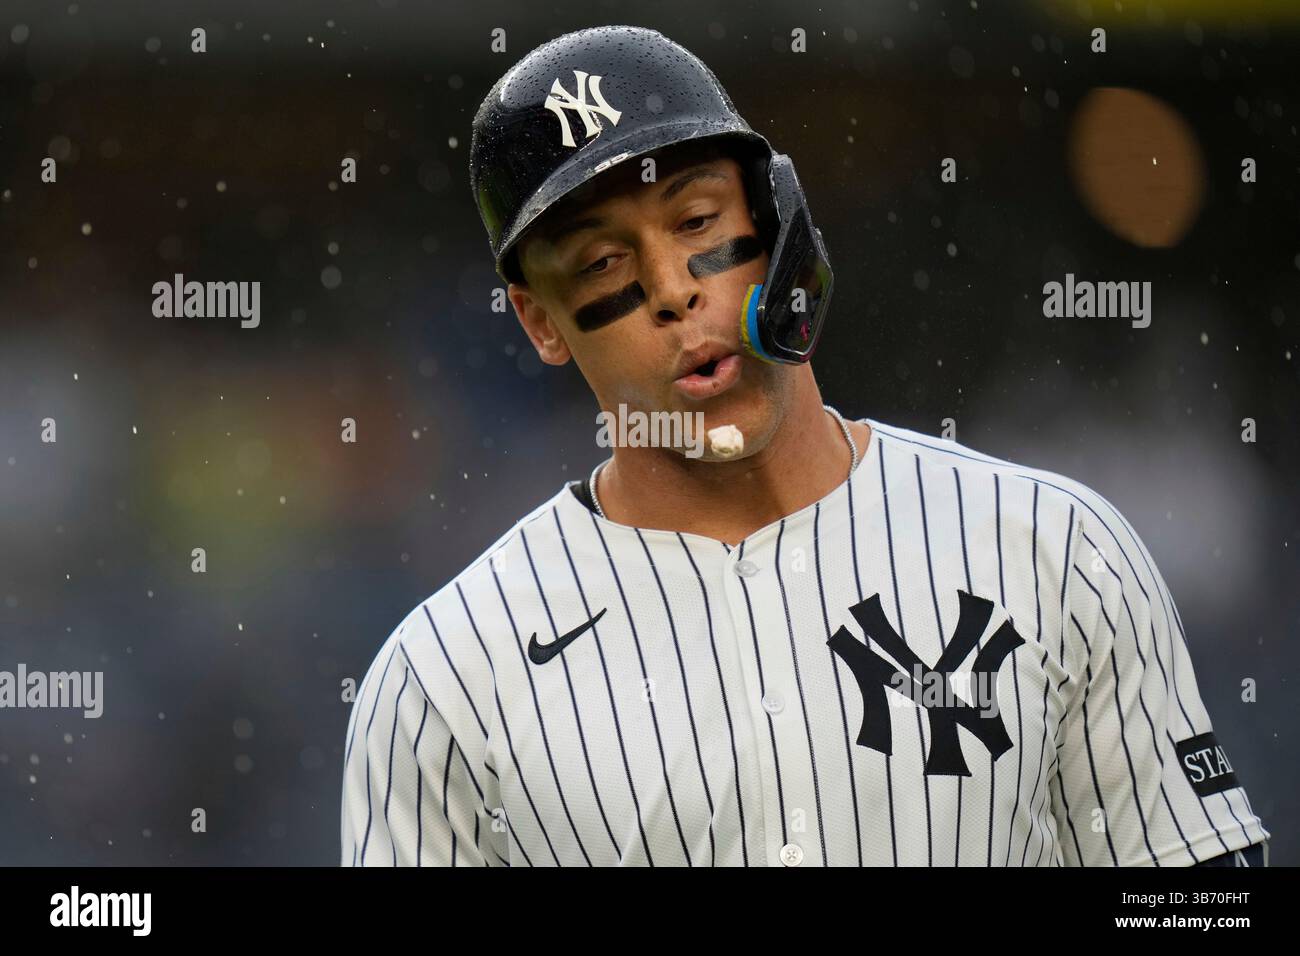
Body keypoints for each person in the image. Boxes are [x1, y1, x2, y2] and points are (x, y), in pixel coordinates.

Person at [340, 25, 1269, 867]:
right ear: (541, 321)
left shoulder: (1056, 547)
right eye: (602, 263)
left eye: (698, 222)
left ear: (776, 220)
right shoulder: (445, 677)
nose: (672, 290)